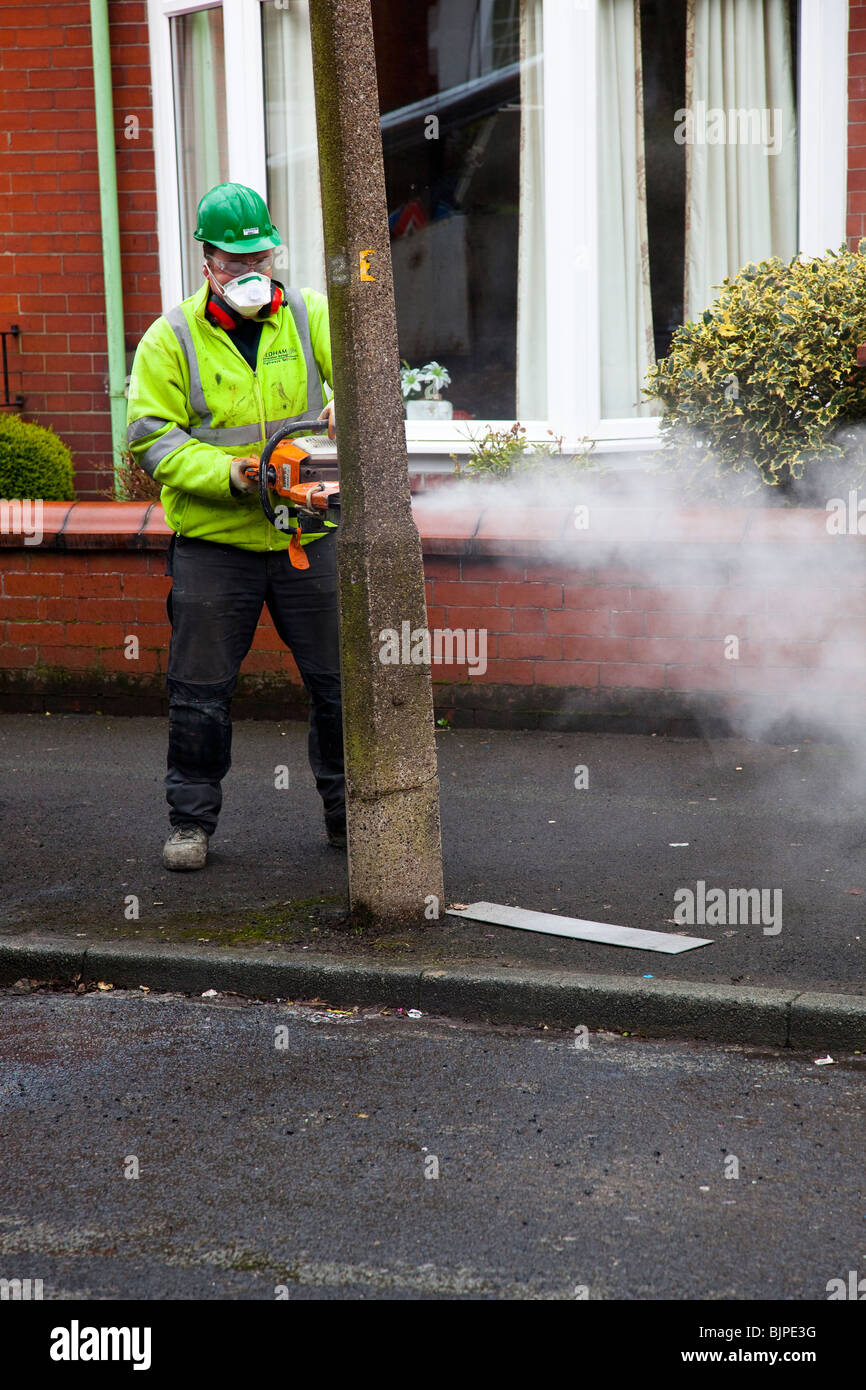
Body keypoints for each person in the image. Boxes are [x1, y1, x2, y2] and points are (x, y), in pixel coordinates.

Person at [126, 182, 345, 870]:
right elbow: (150, 436)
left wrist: (355, 405)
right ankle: (190, 824)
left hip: (305, 538)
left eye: (262, 259)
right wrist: (231, 473)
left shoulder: (311, 317)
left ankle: (350, 816)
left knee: (339, 684)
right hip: (217, 547)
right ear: (206, 262)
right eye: (234, 263)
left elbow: (376, 375)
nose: (251, 274)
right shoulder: (172, 339)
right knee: (200, 692)